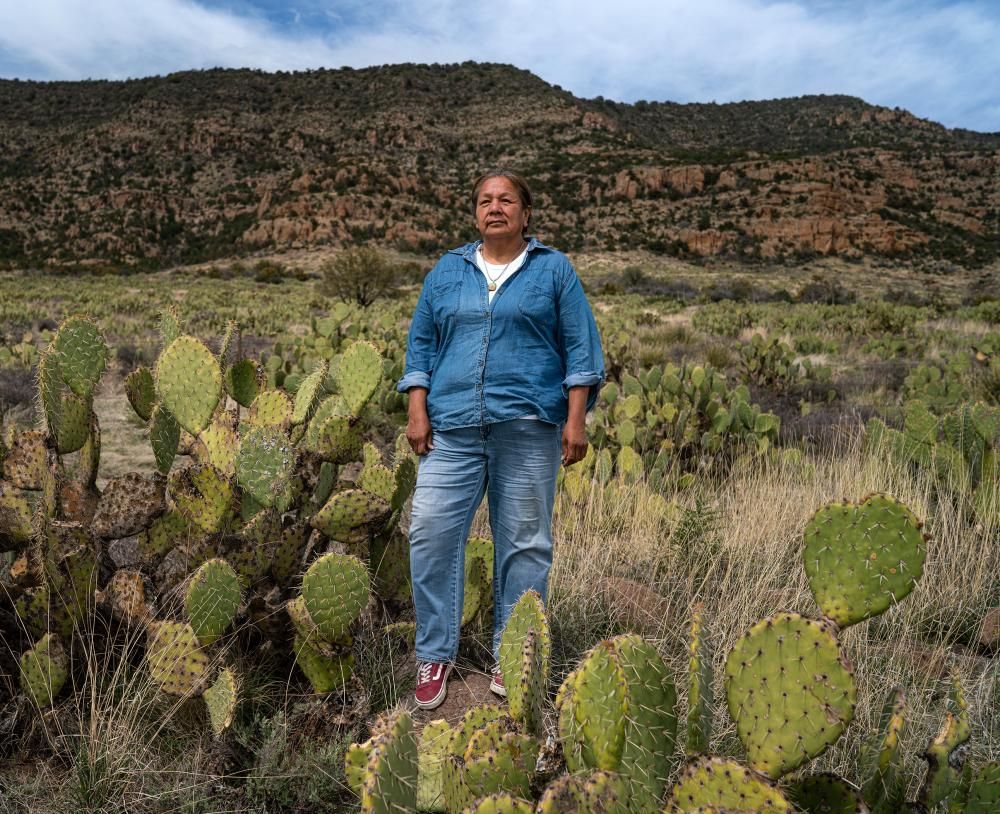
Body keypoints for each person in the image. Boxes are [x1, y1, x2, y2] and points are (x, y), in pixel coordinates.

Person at [397, 169, 604, 710]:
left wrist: (575, 421)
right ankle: (435, 652)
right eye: (485, 200)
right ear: (475, 213)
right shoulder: (446, 272)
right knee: (430, 532)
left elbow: (581, 350)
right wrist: (417, 409)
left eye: (506, 199)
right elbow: (420, 347)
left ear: (525, 213)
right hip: (453, 429)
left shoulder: (553, 270)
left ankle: (513, 657)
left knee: (525, 544)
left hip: (529, 427)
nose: (496, 207)